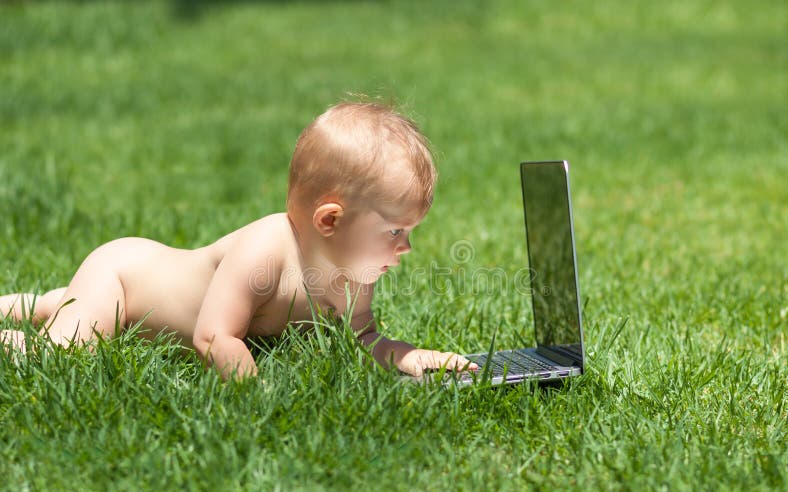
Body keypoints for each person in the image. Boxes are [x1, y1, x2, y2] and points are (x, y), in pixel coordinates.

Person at [0, 101, 478, 381]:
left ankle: (25, 303)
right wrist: (257, 394)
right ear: (330, 221)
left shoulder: (355, 275)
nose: (406, 249)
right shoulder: (266, 252)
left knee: (61, 303)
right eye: (395, 232)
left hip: (134, 282)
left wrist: (408, 355)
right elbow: (213, 337)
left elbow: (363, 339)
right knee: (65, 348)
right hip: (124, 277)